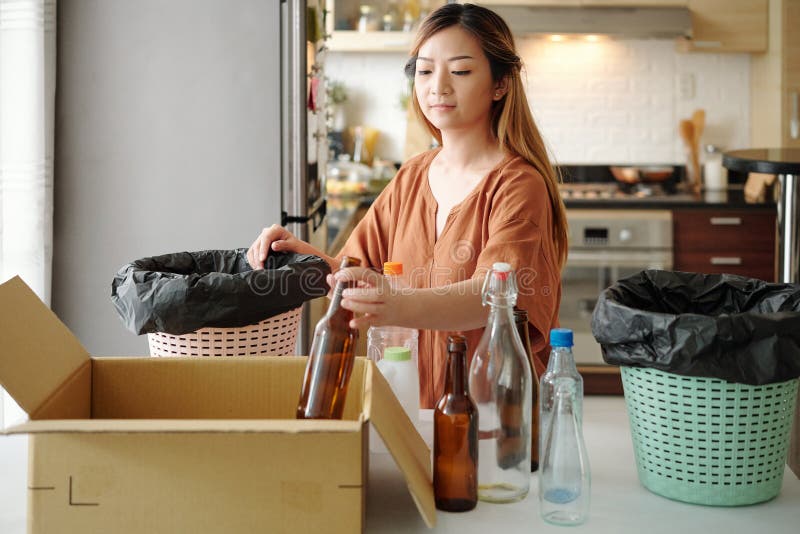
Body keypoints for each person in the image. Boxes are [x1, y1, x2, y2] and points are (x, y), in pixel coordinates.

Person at [247, 3, 568, 408]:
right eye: (425, 70)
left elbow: (492, 294)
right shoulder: (412, 175)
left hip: (492, 414)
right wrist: (299, 254)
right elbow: (352, 269)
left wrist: (394, 304)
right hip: (411, 402)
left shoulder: (519, 184)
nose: (438, 86)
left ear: (500, 83)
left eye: (461, 71)